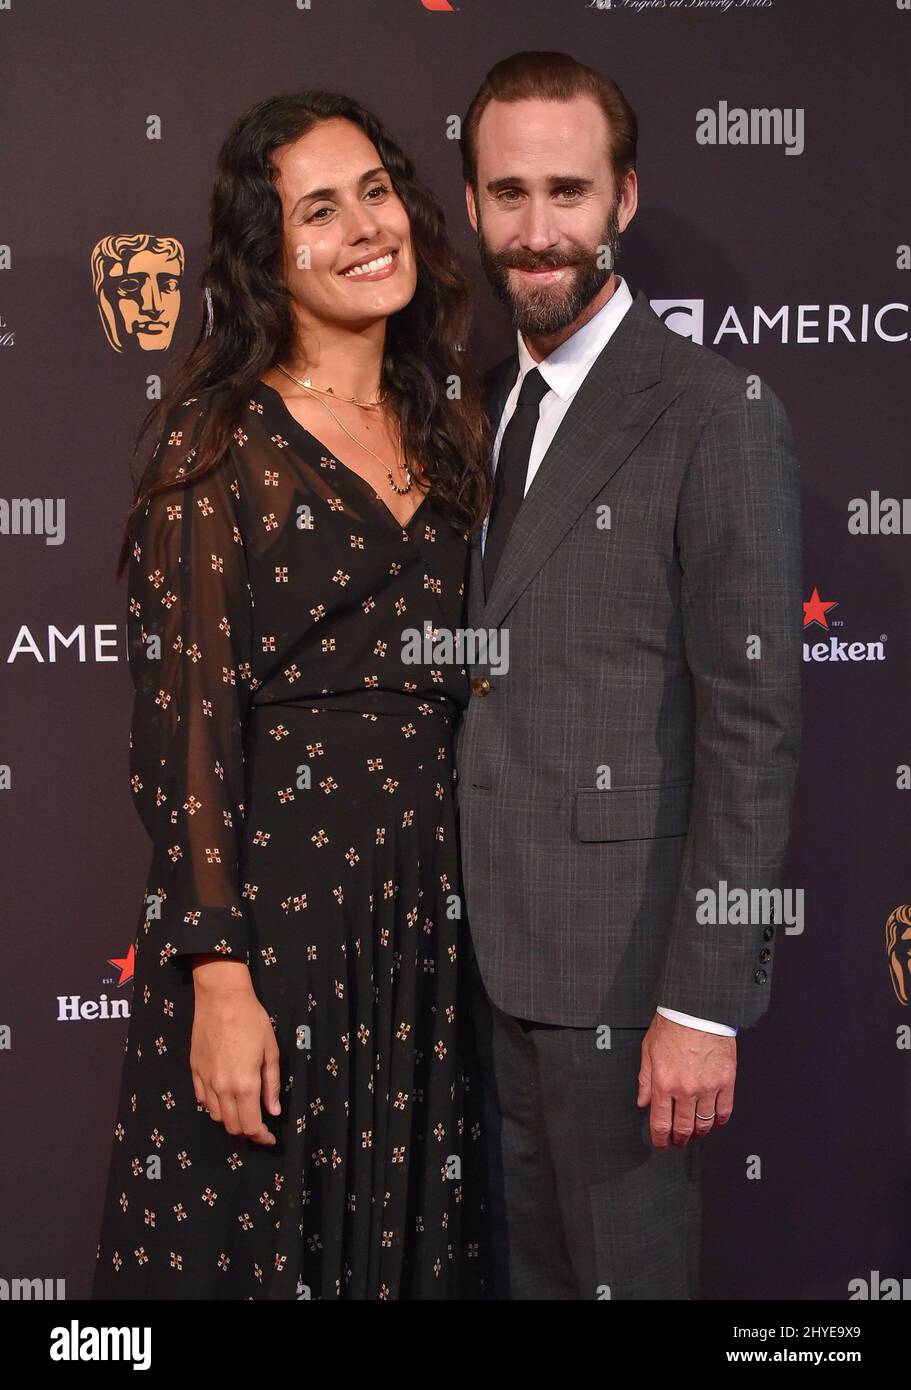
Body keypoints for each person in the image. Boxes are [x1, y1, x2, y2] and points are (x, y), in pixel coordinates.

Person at [93, 90, 492, 1301]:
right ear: (269, 255)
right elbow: (186, 727)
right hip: (285, 927)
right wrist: (217, 976)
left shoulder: (457, 427)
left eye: (375, 190)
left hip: (437, 919)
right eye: (318, 210)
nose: (367, 227)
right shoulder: (218, 442)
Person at [454, 51, 803, 1299]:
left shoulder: (713, 412)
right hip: (483, 968)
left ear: (624, 200)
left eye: (567, 190)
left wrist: (703, 1005)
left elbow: (750, 725)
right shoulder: (485, 405)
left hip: (626, 978)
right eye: (507, 194)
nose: (537, 230)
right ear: (475, 208)